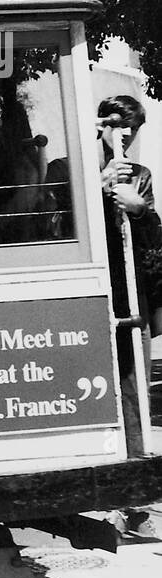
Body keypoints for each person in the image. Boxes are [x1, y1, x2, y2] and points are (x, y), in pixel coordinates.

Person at [96, 96, 162, 444]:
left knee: (136, 380)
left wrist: (139, 209)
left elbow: (151, 236)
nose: (125, 135)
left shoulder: (141, 176)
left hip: (132, 291)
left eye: (131, 129)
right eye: (118, 126)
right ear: (102, 125)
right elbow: (59, 225)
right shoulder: (71, 167)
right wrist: (99, 188)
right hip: (96, 289)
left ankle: (136, 451)